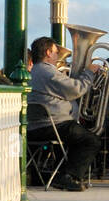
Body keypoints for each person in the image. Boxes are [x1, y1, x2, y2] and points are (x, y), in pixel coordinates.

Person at [27, 36, 102, 191]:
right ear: (48, 52)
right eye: (55, 52)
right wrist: (88, 73)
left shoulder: (35, 71)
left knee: (76, 137)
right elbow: (75, 89)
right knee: (91, 141)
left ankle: (52, 175)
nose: (57, 56)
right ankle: (68, 176)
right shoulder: (47, 71)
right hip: (52, 125)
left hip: (37, 126)